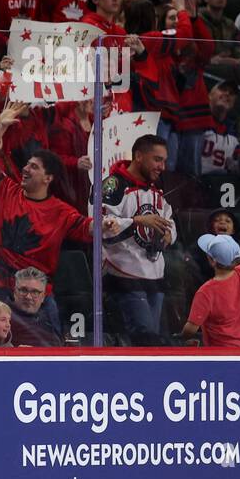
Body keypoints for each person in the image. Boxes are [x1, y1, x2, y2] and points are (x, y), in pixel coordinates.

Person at [0, 102, 121, 331]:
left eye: (33, 167)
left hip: (38, 296)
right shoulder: (8, 191)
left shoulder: (60, 211)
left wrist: (105, 224)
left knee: (52, 348)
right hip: (0, 292)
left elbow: (87, 227)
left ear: (48, 178)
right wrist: (1, 127)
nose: (25, 169)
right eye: (27, 164)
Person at [102, 134, 176, 342]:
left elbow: (169, 220)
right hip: (124, 276)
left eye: (164, 160)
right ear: (138, 156)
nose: (162, 166)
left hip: (156, 278)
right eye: (157, 159)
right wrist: (137, 221)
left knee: (155, 343)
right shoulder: (113, 185)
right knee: (145, 340)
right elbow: (101, 228)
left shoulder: (156, 189)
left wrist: (169, 235)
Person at [182, 202, 240, 348]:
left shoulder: (205, 292)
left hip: (217, 356)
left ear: (211, 259)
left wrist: (182, 337)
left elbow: (191, 328)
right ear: (236, 259)